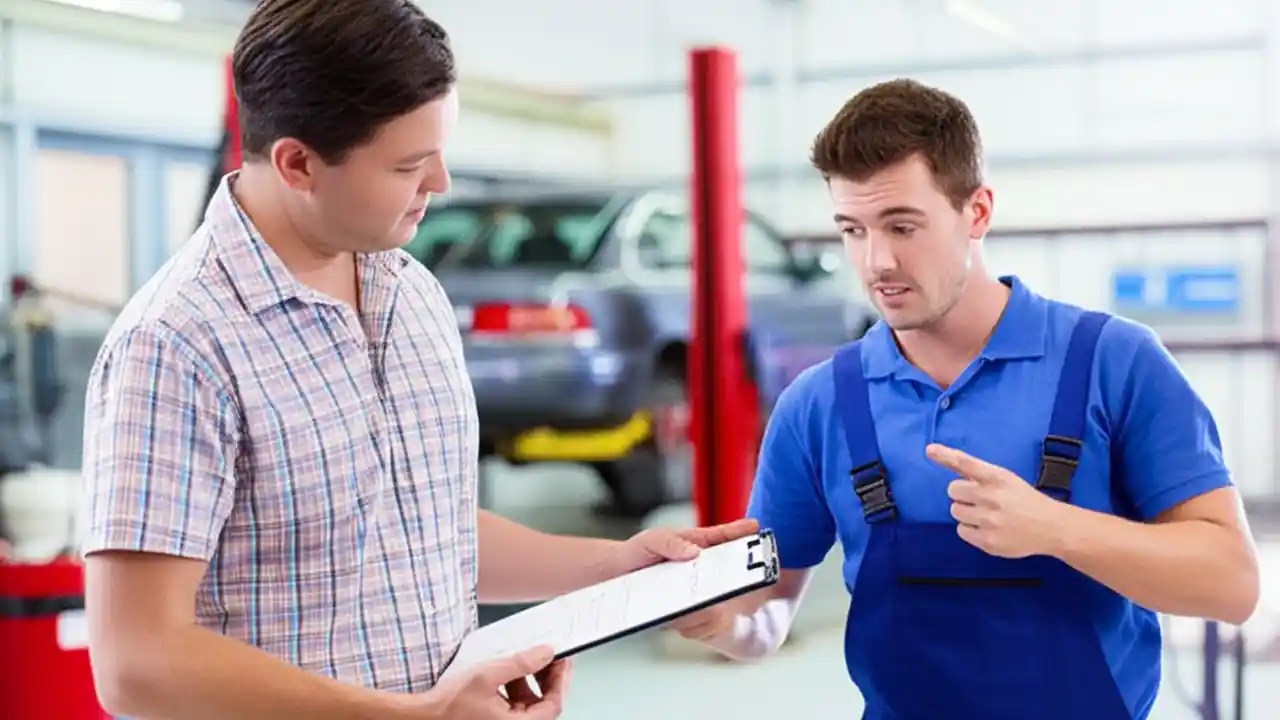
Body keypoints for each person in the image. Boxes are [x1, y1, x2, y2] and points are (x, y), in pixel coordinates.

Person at [79, 2, 757, 719]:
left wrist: (617, 568)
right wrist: (419, 716)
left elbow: (428, 530)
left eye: (440, 149)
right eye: (409, 163)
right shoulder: (176, 346)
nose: (442, 182)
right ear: (298, 163)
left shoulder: (409, 292)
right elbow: (139, 662)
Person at [669, 78, 1262, 719]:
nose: (877, 262)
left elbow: (1232, 583)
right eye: (852, 229)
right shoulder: (819, 404)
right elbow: (771, 613)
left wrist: (1055, 528)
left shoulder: (1114, 363)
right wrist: (725, 622)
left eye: (902, 226)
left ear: (977, 212)